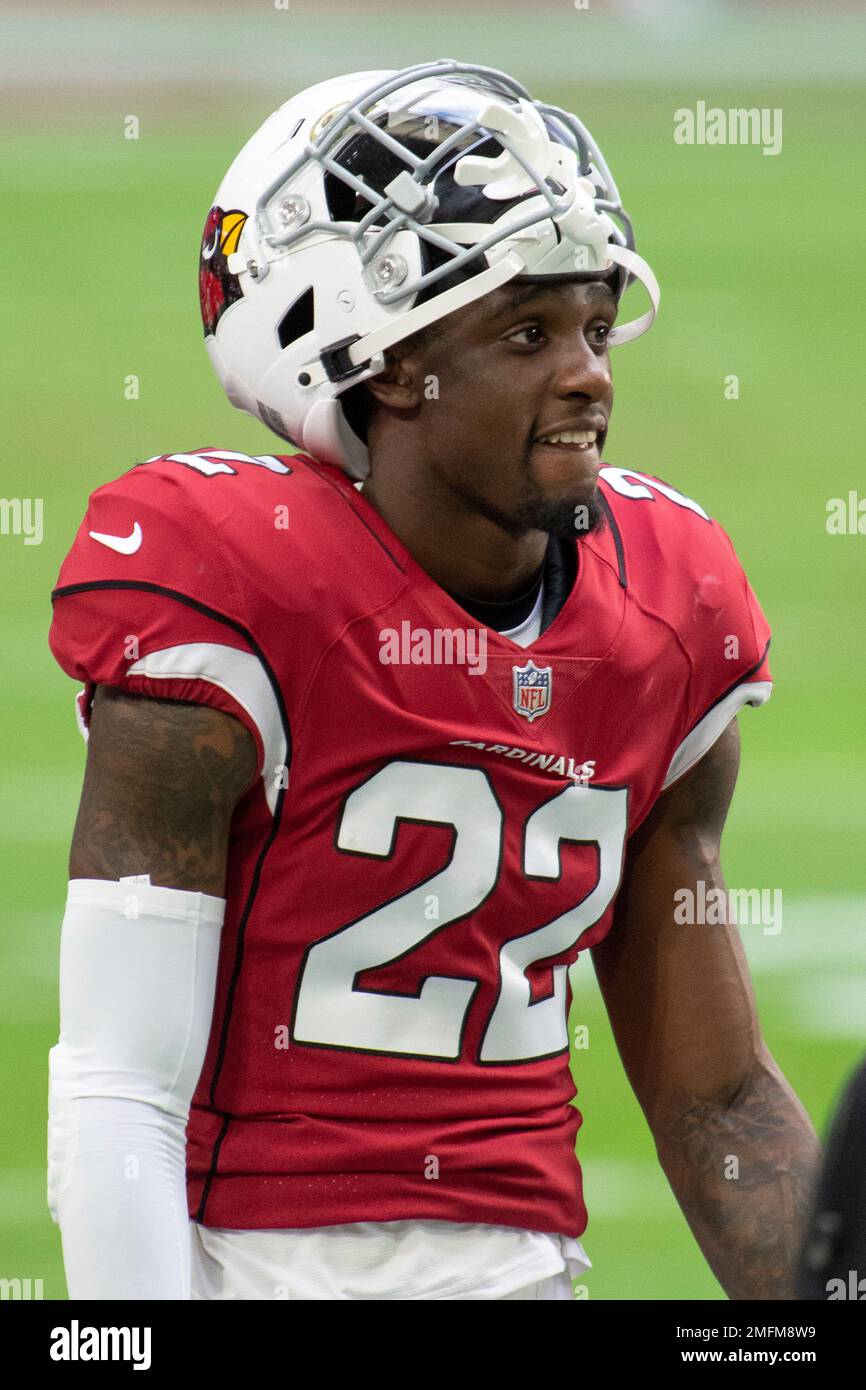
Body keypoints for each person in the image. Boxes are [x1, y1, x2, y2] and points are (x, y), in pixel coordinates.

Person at [47, 59, 820, 1301]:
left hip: (522, 1275)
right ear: (390, 364)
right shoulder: (232, 580)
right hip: (240, 1270)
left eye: (592, 319)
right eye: (526, 332)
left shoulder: (665, 610)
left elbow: (713, 1093)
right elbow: (117, 1080)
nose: (590, 374)